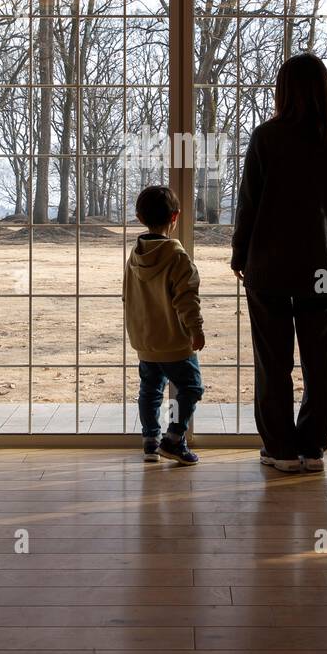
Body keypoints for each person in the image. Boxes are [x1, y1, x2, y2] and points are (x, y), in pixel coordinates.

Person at [231, 53, 327, 474]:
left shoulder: (266, 138)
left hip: (268, 267)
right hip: (323, 272)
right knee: (319, 363)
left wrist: (240, 253)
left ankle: (281, 450)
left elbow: (249, 204)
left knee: (273, 362)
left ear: (283, 90)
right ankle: (313, 450)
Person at [123, 185, 205, 465]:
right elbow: (187, 299)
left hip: (145, 341)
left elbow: (127, 295)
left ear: (138, 216)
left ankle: (150, 441)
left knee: (150, 390)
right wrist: (196, 329)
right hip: (173, 342)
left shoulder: (134, 255)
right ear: (176, 217)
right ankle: (172, 439)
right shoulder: (177, 256)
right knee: (191, 387)